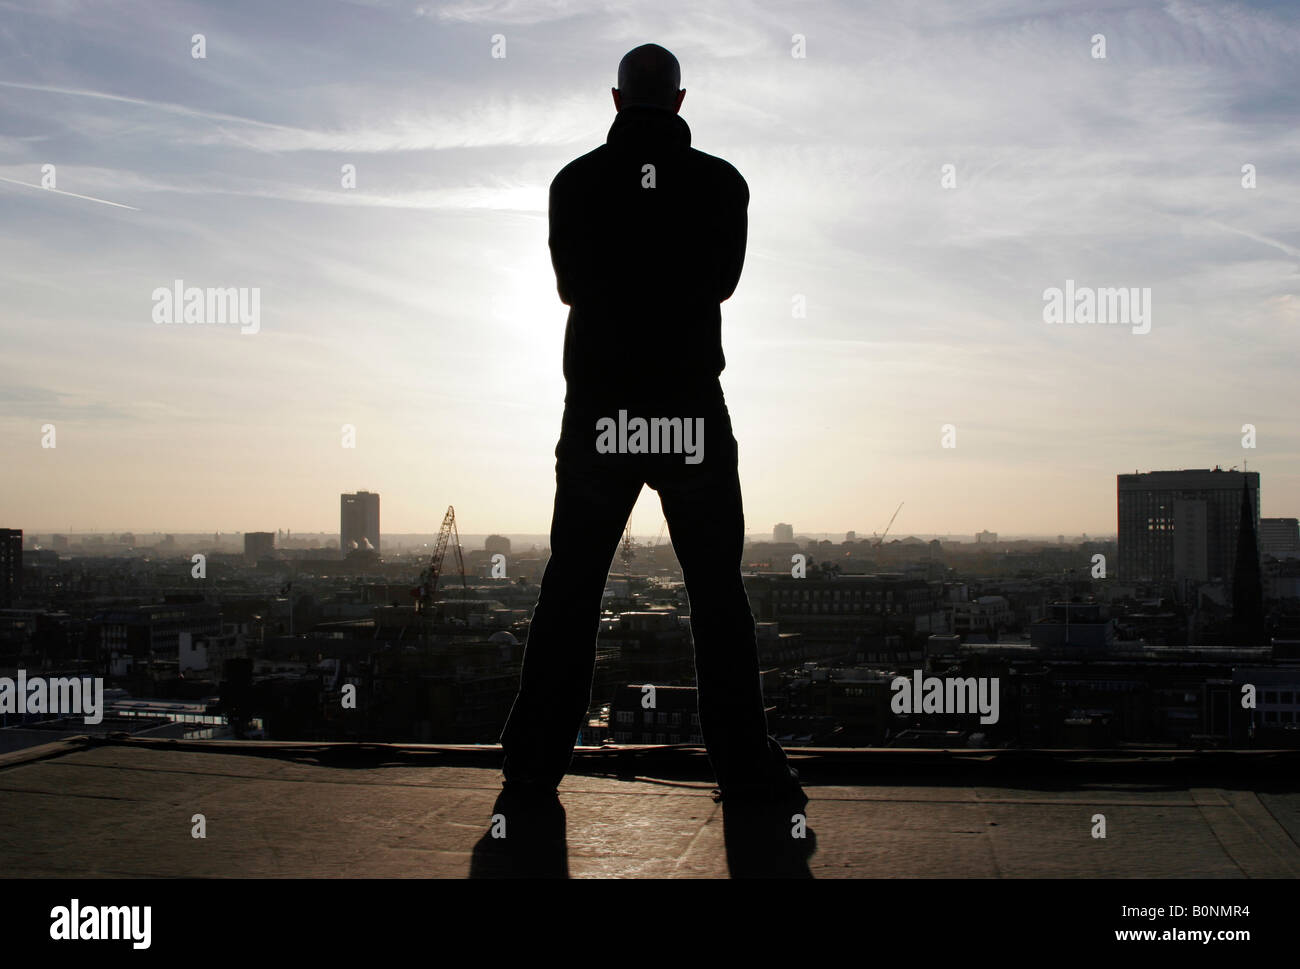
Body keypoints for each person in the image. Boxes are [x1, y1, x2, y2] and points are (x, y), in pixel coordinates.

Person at [498, 43, 804, 808]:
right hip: (689, 408)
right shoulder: (720, 182)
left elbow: (571, 284)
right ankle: (742, 763)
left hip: (603, 411)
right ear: (679, 100)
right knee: (715, 593)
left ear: (614, 100)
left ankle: (535, 762)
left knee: (572, 586)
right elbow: (723, 282)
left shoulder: (574, 182)